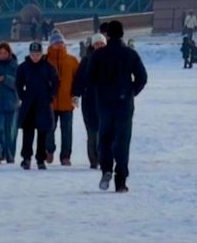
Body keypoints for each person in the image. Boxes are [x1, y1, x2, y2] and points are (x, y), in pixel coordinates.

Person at [86, 19, 148, 193]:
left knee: (104, 139)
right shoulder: (130, 54)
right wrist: (131, 92)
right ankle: (120, 180)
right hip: (124, 104)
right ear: (122, 34)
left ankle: (106, 169)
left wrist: (100, 92)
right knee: (122, 141)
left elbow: (90, 79)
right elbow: (142, 77)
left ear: (107, 35)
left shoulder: (98, 55)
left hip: (105, 104)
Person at [15, 41, 60, 169]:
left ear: (42, 54)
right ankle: (26, 158)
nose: (35, 56)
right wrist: (22, 95)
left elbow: (56, 83)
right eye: (33, 54)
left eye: (38, 54)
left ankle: (41, 159)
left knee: (42, 132)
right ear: (29, 54)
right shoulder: (23, 67)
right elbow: (18, 83)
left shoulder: (48, 67)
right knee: (28, 132)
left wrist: (50, 96)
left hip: (43, 103)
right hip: (29, 104)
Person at [46, 31, 80, 167]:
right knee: (49, 129)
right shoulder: (45, 60)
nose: (58, 45)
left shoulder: (72, 61)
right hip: (50, 103)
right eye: (55, 43)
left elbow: (77, 80)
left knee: (67, 131)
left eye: (60, 42)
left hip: (67, 102)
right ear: (51, 44)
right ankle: (49, 150)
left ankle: (65, 156)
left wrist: (76, 95)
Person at [73, 35, 103, 169]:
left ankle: (104, 158)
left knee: (105, 133)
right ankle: (93, 160)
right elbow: (79, 79)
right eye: (96, 44)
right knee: (92, 132)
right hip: (89, 101)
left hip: (105, 101)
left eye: (101, 44)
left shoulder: (110, 60)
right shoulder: (86, 61)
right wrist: (76, 95)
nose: (98, 47)